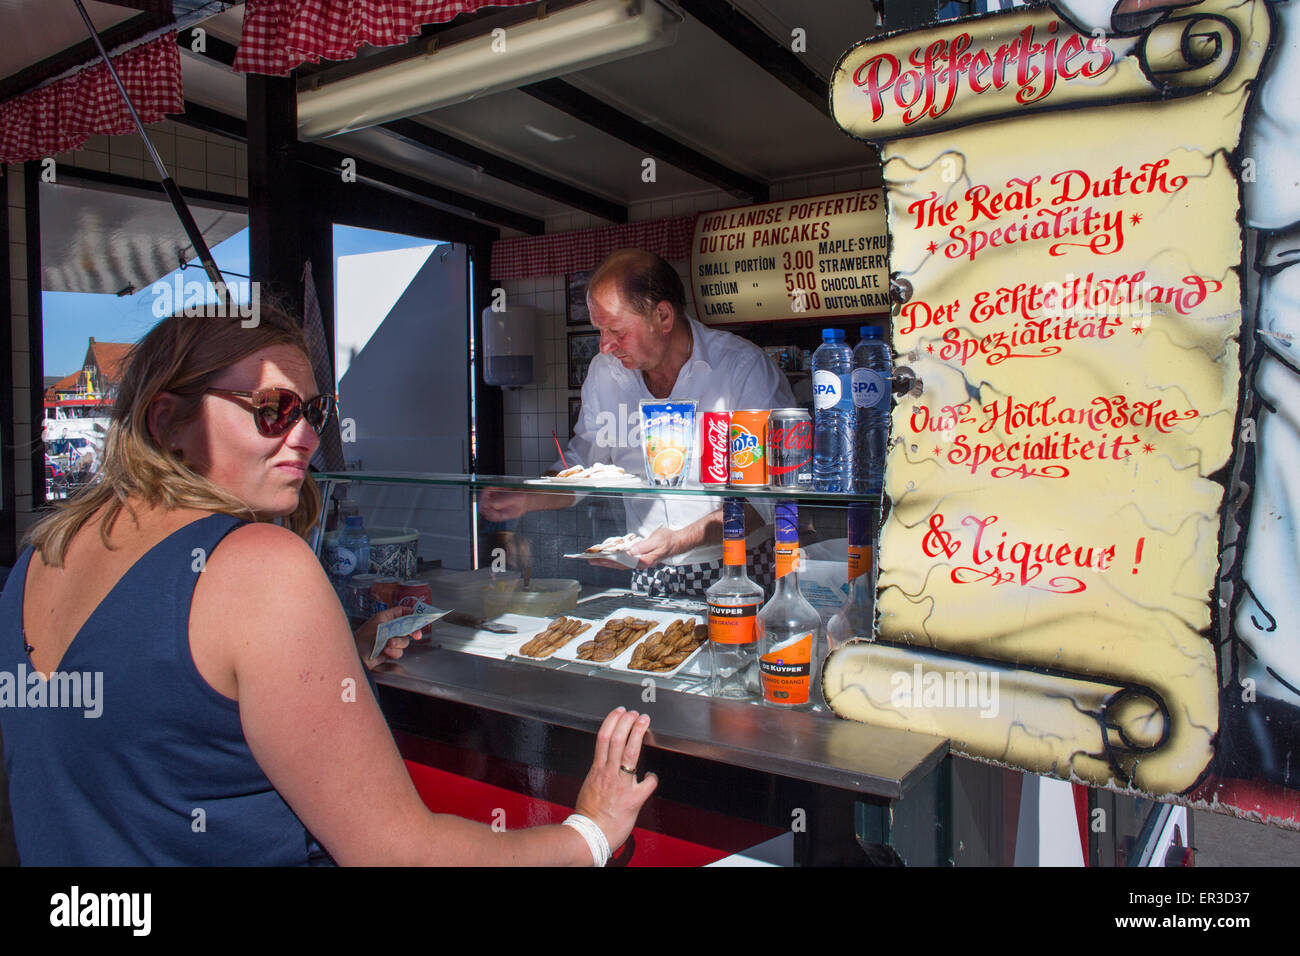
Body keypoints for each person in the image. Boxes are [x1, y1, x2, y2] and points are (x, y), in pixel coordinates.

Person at [0, 306, 656, 865]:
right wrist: (588, 834)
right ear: (166, 420)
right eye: (271, 409)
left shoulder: (40, 558)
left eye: (312, 410)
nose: (307, 436)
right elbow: (397, 852)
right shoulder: (261, 565)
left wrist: (342, 653)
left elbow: (161, 725)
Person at [480, 248, 796, 596]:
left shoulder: (740, 368)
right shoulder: (605, 374)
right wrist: (528, 496)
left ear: (662, 316)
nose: (604, 346)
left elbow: (768, 500)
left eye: (616, 330)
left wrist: (679, 540)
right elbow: (584, 466)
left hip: (741, 566)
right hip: (649, 571)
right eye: (599, 330)